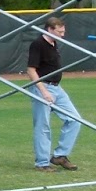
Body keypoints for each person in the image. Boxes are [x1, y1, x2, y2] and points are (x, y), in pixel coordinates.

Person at [27, 15, 81, 172]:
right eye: (60, 32)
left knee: (75, 119)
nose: (62, 35)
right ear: (50, 29)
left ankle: (60, 155)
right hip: (42, 88)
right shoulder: (37, 44)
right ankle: (42, 163)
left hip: (57, 88)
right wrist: (43, 91)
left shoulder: (54, 44)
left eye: (63, 32)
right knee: (43, 126)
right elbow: (31, 70)